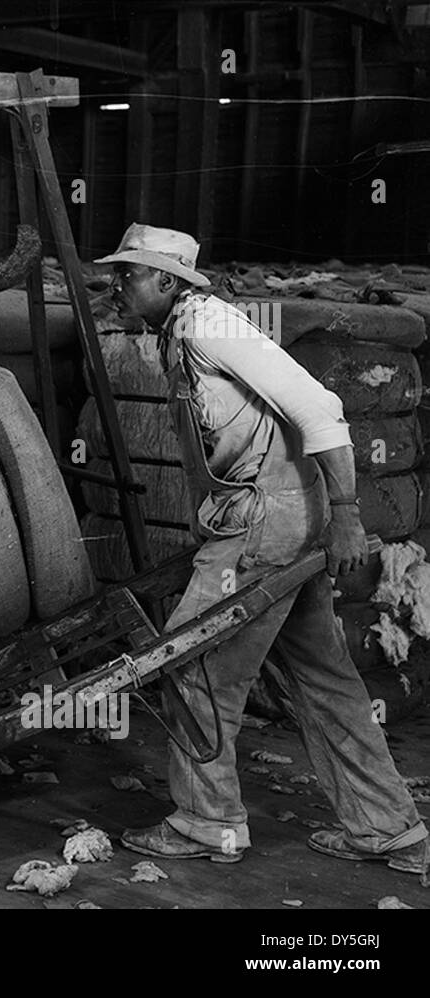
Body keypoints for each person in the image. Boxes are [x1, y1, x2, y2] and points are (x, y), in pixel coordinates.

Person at [98, 223, 427, 877]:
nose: (116, 284)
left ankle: (208, 822)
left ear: (166, 280)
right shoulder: (180, 332)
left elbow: (320, 407)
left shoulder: (207, 326)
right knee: (322, 677)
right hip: (273, 519)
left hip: (267, 527)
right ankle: (387, 826)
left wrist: (345, 517)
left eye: (128, 273)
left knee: (191, 664)